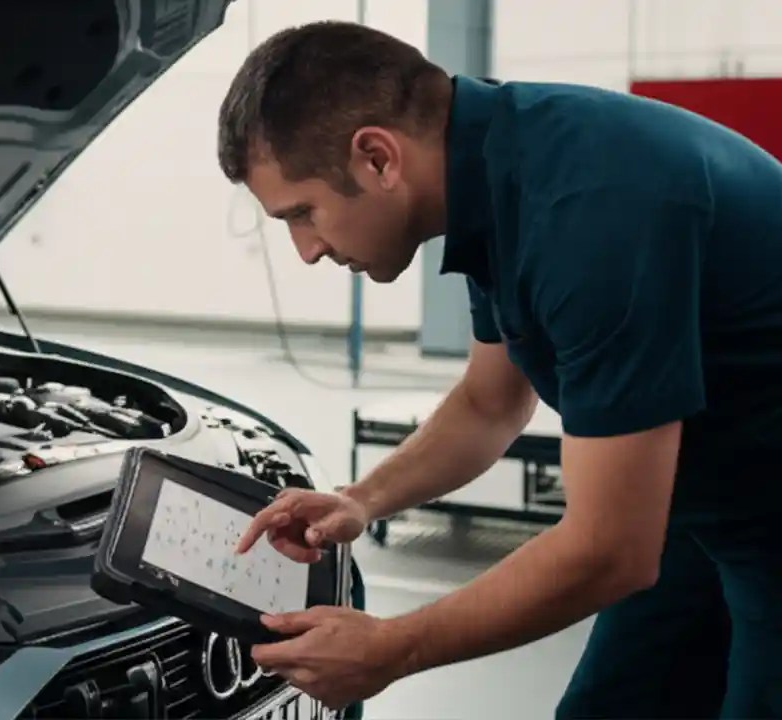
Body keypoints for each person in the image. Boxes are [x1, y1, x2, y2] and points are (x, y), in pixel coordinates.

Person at [218, 20, 782, 719]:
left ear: (377, 158)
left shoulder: (586, 212)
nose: (306, 250)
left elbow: (612, 549)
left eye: (302, 213)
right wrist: (360, 499)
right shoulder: (498, 168)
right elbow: (491, 402)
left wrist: (393, 648)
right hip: (705, 502)